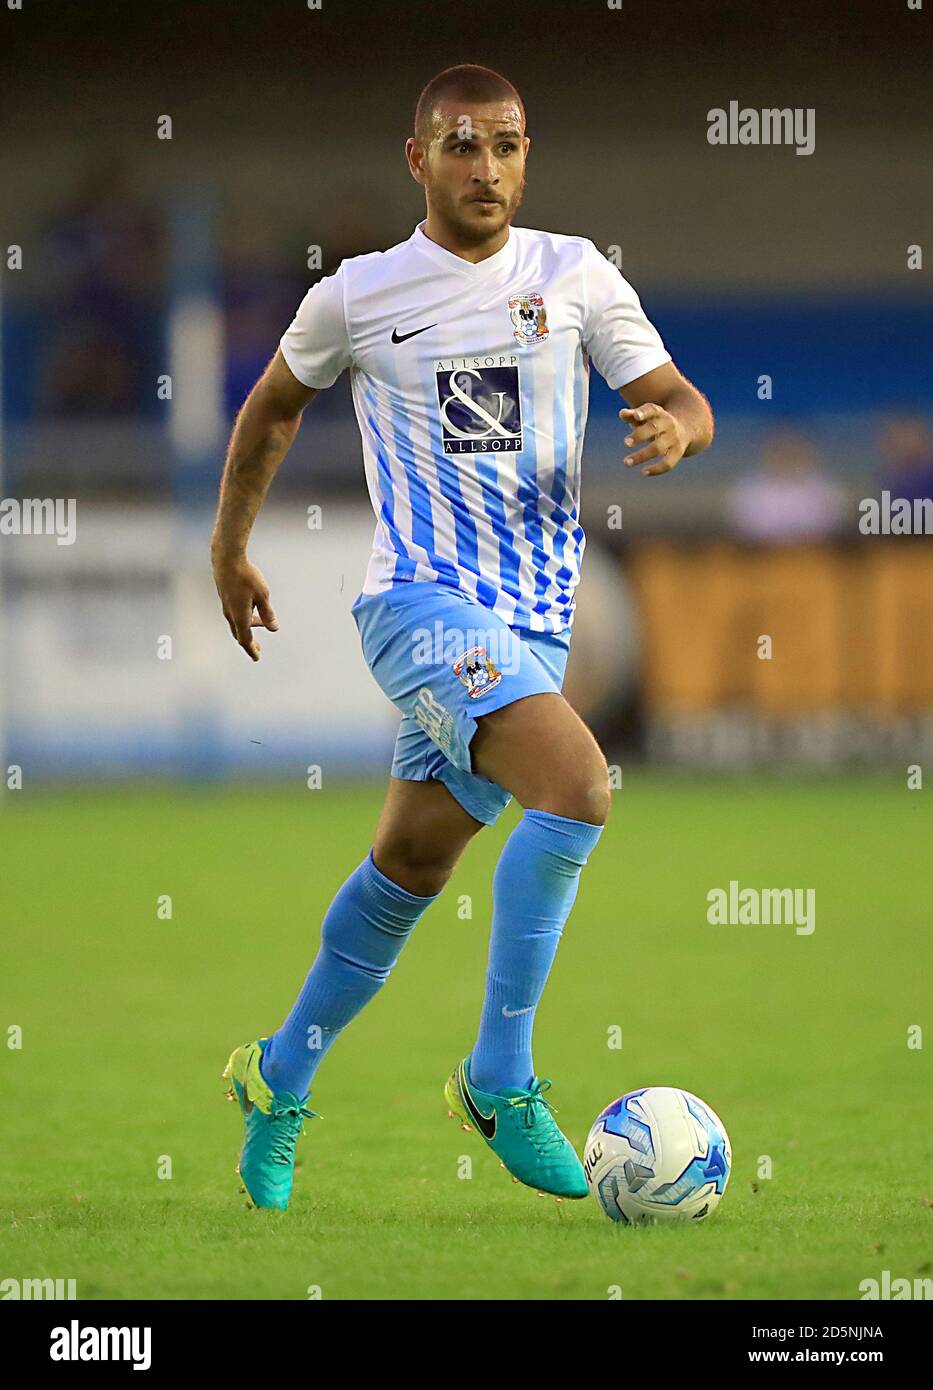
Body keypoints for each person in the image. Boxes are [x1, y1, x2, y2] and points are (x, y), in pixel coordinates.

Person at [211, 64, 713, 1211]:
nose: (487, 169)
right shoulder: (358, 294)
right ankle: (500, 1076)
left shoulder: (575, 273)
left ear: (527, 157)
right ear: (418, 159)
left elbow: (684, 397)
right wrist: (228, 547)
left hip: (534, 626)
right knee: (579, 787)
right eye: (462, 146)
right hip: (417, 610)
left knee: (410, 866)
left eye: (508, 146)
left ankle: (276, 1076)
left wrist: (674, 432)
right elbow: (272, 408)